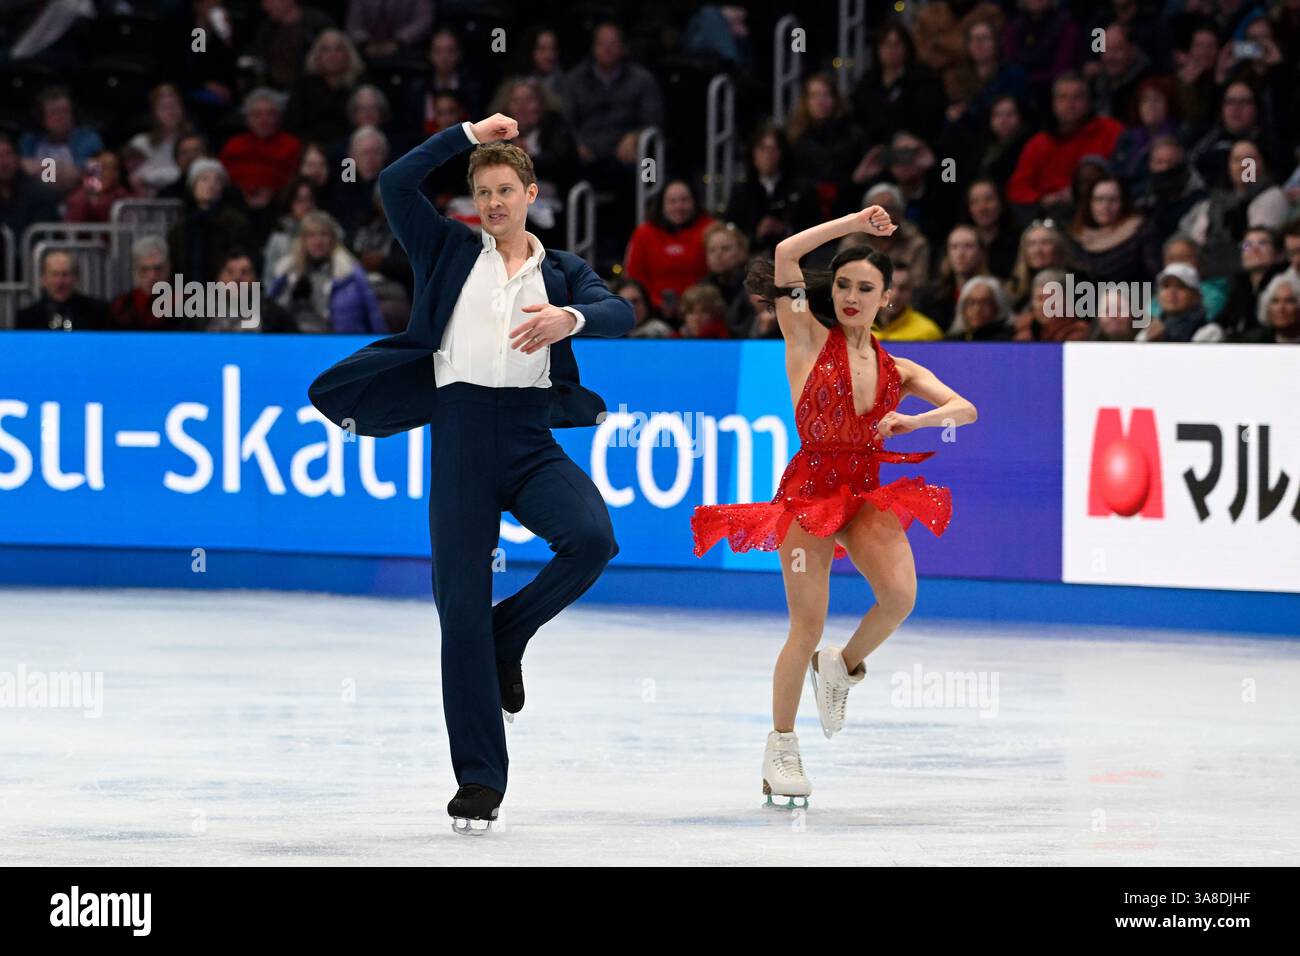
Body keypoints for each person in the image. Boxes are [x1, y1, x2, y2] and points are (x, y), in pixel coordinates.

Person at [307, 113, 634, 833]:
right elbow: (394, 183)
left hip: (527, 436)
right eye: (481, 191)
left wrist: (568, 320)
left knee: (592, 538)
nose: (492, 203)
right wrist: (465, 132)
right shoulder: (448, 248)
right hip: (459, 438)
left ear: (530, 193)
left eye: (504, 190)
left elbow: (623, 309)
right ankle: (481, 780)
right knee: (459, 609)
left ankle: (507, 635)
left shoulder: (559, 271)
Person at [690, 208, 977, 808]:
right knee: (806, 625)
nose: (850, 296)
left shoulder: (902, 368)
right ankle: (781, 747)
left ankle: (841, 667)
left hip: (865, 492)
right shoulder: (806, 337)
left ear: (886, 298)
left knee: (900, 598)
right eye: (843, 284)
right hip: (811, 494)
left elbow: (965, 410)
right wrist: (855, 225)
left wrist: (915, 420)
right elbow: (787, 258)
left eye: (864, 288)